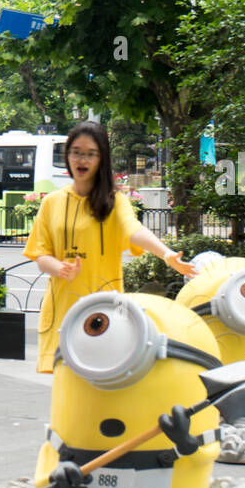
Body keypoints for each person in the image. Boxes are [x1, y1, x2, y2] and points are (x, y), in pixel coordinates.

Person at [25, 121, 197, 373]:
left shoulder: (115, 202)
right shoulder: (52, 202)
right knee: (68, 394)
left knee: (102, 387)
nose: (81, 159)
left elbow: (134, 230)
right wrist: (60, 268)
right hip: (63, 310)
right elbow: (40, 254)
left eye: (90, 153)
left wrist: (167, 254)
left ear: (101, 159)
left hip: (105, 312)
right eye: (76, 151)